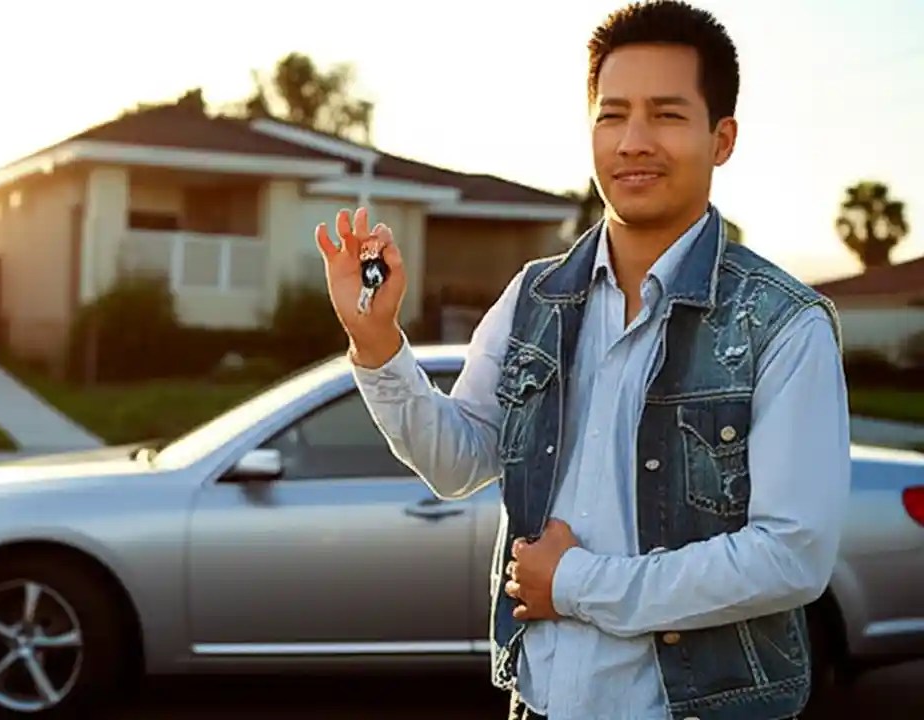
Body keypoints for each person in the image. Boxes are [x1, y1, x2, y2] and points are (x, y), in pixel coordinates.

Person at [313, 1, 851, 718]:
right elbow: (457, 463)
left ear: (721, 139)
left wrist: (573, 584)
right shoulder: (534, 295)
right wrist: (376, 342)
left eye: (666, 114)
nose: (633, 142)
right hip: (536, 703)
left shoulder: (784, 324)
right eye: (611, 114)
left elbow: (791, 556)